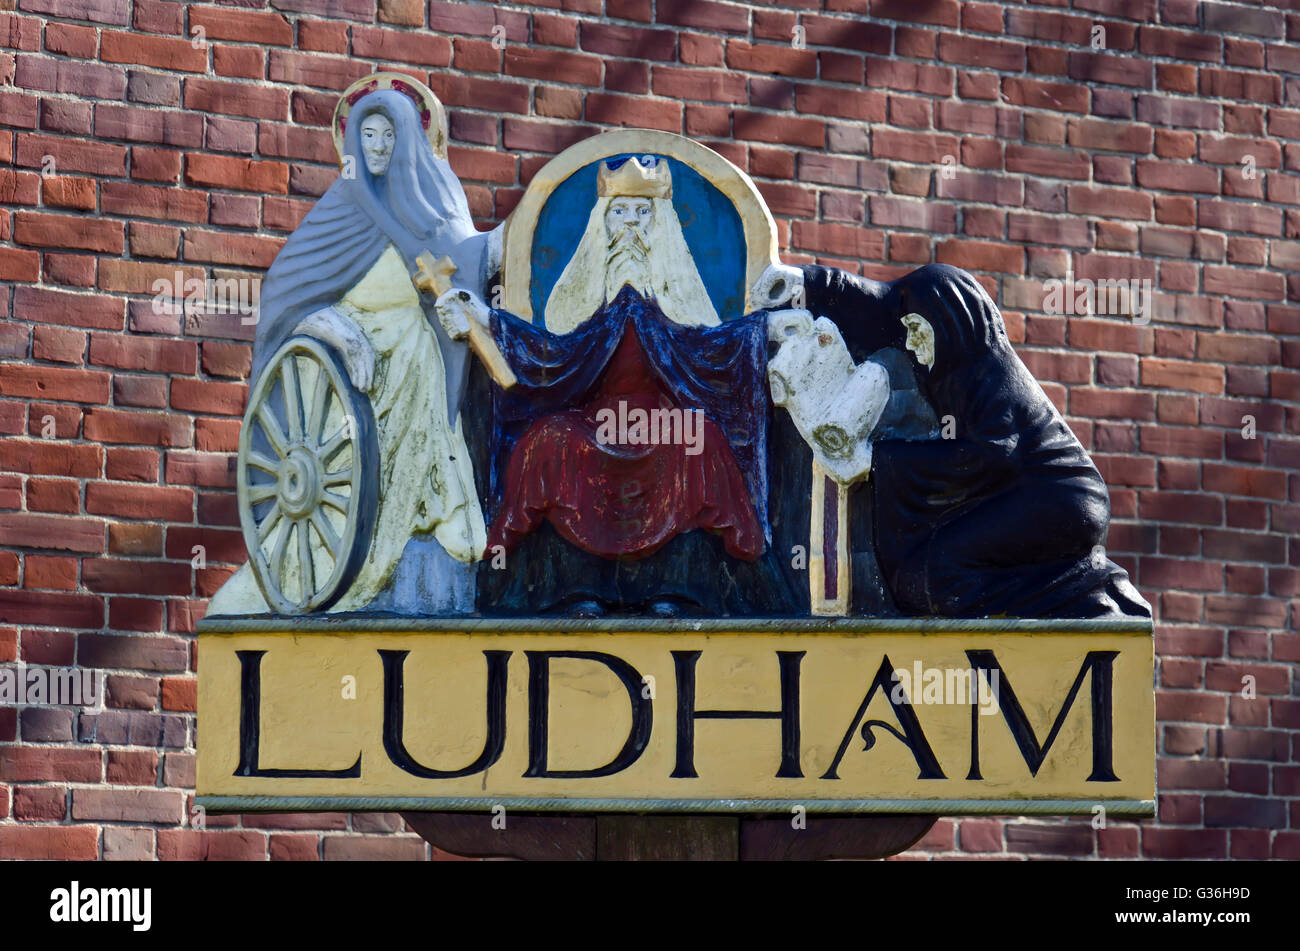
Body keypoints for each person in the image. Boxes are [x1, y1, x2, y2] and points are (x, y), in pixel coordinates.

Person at [439, 157, 798, 616]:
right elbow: (553, 356)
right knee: (547, 441)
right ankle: (573, 589)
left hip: (661, 425)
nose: (631, 225)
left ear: (662, 224)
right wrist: (485, 318)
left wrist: (766, 328)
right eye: (620, 212)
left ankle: (675, 589)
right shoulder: (586, 299)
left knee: (698, 441)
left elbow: (709, 348)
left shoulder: (677, 298)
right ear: (602, 222)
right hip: (593, 423)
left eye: (643, 213)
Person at [208, 87, 494, 616]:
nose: (379, 145)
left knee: (418, 351)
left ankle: (428, 516)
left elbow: (470, 255)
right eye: (368, 134)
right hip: (345, 353)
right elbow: (287, 291)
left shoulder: (434, 195)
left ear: (410, 137)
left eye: (389, 134)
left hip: (413, 339)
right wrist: (335, 329)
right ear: (352, 140)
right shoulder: (342, 202)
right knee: (407, 353)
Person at [754, 261, 1151, 620]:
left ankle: (1085, 597)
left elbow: (985, 457)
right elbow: (878, 305)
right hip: (1032, 497)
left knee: (938, 572)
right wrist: (806, 282)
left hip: (1059, 500)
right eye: (907, 328)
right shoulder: (942, 343)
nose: (907, 343)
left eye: (915, 331)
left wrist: (877, 461)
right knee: (919, 576)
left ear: (947, 325)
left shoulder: (993, 378)